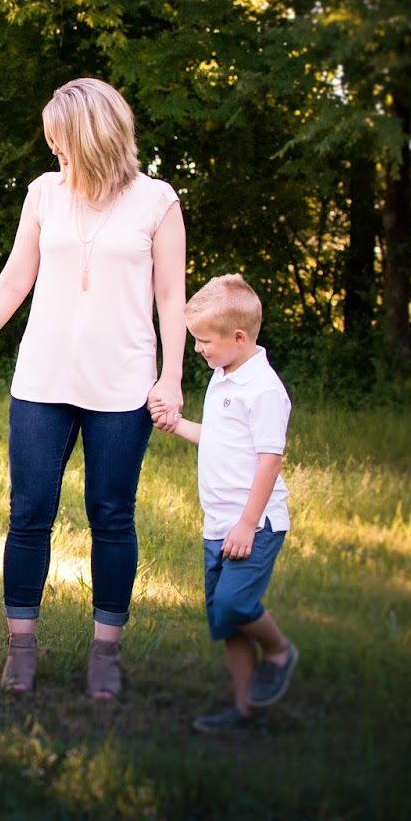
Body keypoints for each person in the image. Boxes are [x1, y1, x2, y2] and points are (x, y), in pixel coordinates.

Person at [0, 77, 186, 700]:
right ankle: (21, 649)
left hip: (123, 385)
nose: (56, 154)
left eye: (62, 143)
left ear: (93, 139)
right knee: (28, 515)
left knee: (111, 515)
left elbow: (170, 297)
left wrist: (172, 376)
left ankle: (106, 653)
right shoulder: (44, 193)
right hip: (42, 379)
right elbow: (16, 275)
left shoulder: (157, 202)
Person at [150, 273, 297, 734]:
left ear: (238, 337)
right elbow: (216, 439)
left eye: (203, 340)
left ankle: (279, 651)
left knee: (235, 603)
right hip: (218, 523)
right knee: (226, 620)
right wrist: (175, 425)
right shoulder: (224, 375)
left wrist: (247, 525)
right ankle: (245, 710)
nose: (197, 349)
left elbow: (269, 463)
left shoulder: (264, 390)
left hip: (253, 524)